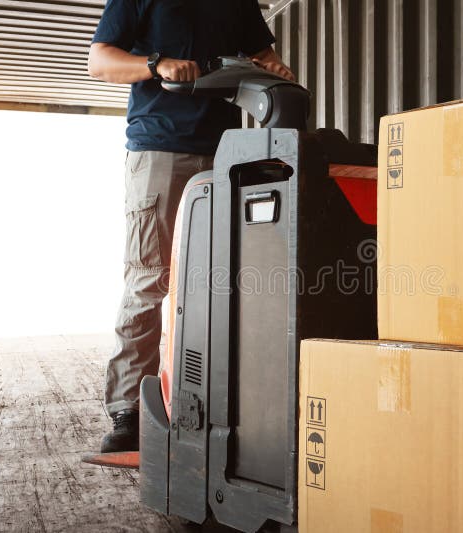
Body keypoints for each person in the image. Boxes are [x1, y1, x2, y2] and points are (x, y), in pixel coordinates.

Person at [88, 0, 294, 453]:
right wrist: (155, 63)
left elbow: (262, 55)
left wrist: (276, 67)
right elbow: (99, 60)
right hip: (160, 149)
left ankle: (214, 405)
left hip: (226, 154)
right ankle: (130, 412)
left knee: (223, 285)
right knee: (150, 279)